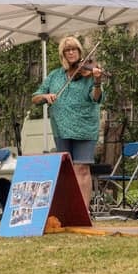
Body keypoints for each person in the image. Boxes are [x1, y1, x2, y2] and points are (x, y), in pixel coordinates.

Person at [31, 36, 105, 208]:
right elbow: (35, 98)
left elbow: (96, 98)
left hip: (84, 127)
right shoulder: (55, 76)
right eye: (67, 50)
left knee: (82, 169)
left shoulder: (88, 74)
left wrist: (97, 81)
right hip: (61, 129)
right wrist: (45, 96)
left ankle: (84, 211)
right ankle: (69, 210)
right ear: (62, 54)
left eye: (74, 49)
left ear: (80, 52)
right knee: (67, 171)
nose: (71, 52)